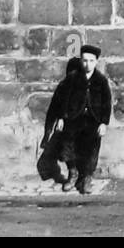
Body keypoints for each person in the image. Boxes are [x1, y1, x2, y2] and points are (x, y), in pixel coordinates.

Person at [49, 43, 112, 194]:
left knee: (91, 150)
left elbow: (107, 102)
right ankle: (73, 174)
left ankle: (87, 178)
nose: (87, 64)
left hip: (93, 120)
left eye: (91, 61)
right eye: (84, 60)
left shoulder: (101, 80)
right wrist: (62, 118)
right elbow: (64, 99)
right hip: (73, 119)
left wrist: (104, 122)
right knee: (68, 147)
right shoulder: (72, 78)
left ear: (96, 62)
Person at [39, 56, 81, 186]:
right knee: (66, 149)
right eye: (72, 72)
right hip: (68, 125)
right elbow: (54, 109)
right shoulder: (63, 87)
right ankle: (73, 173)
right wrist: (48, 132)